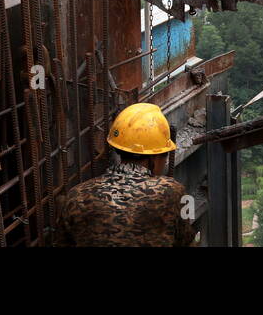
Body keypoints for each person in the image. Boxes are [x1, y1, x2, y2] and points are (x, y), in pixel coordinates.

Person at [53, 103, 196, 247]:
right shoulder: (173, 192)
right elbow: (186, 240)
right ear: (154, 158)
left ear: (119, 150)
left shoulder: (77, 196)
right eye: (164, 158)